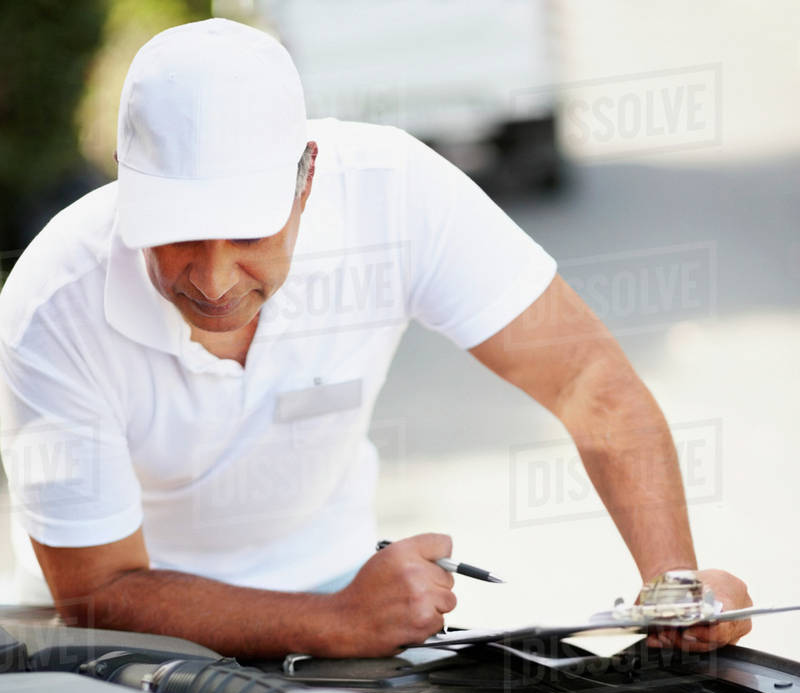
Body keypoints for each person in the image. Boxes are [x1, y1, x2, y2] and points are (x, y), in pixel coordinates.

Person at [0, 18, 751, 659]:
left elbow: (586, 379)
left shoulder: (395, 193)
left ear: (307, 180)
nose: (216, 277)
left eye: (250, 231)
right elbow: (100, 594)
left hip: (334, 595)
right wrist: (336, 624)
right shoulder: (51, 306)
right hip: (110, 649)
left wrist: (676, 590)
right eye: (177, 237)